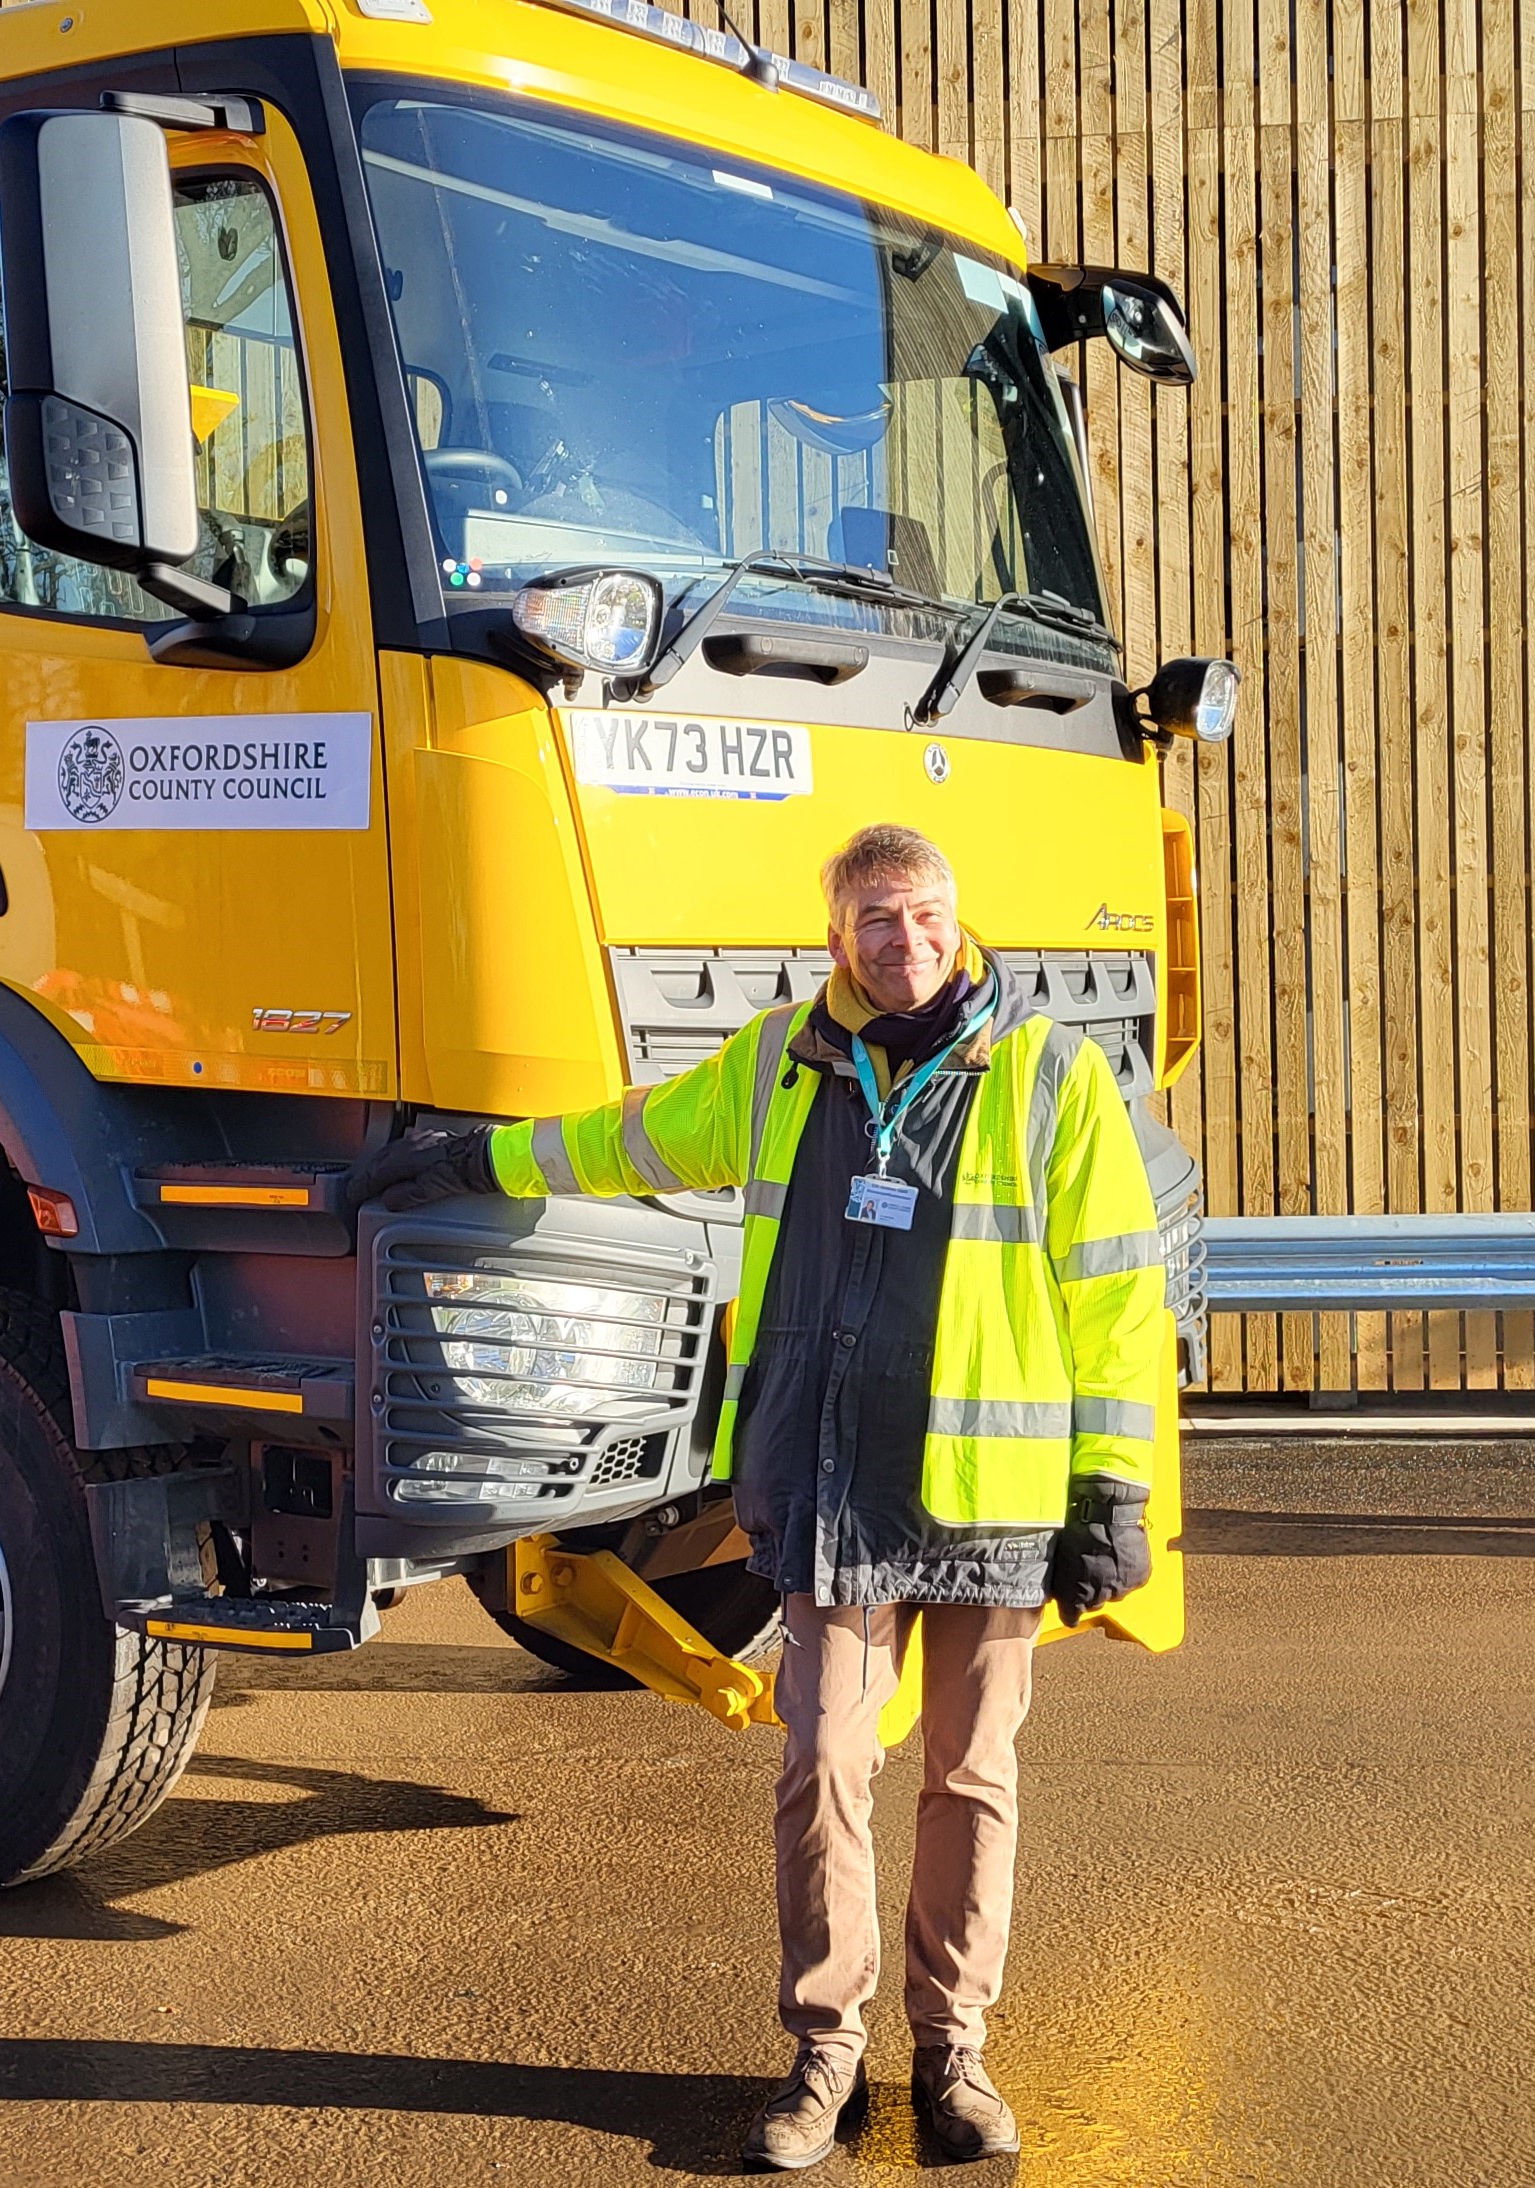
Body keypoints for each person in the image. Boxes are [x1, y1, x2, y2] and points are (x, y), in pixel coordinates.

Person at [351, 823, 1169, 2170]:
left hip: (991, 1496)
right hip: (833, 1485)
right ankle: (827, 2052)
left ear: (957, 916)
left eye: (923, 912)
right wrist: (470, 1161)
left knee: (971, 1776)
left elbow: (1116, 1296)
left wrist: (1113, 1486)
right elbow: (625, 1141)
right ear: (833, 935)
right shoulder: (782, 1061)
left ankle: (953, 2053)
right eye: (874, 919)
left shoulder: (1050, 1073)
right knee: (823, 1765)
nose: (904, 940)